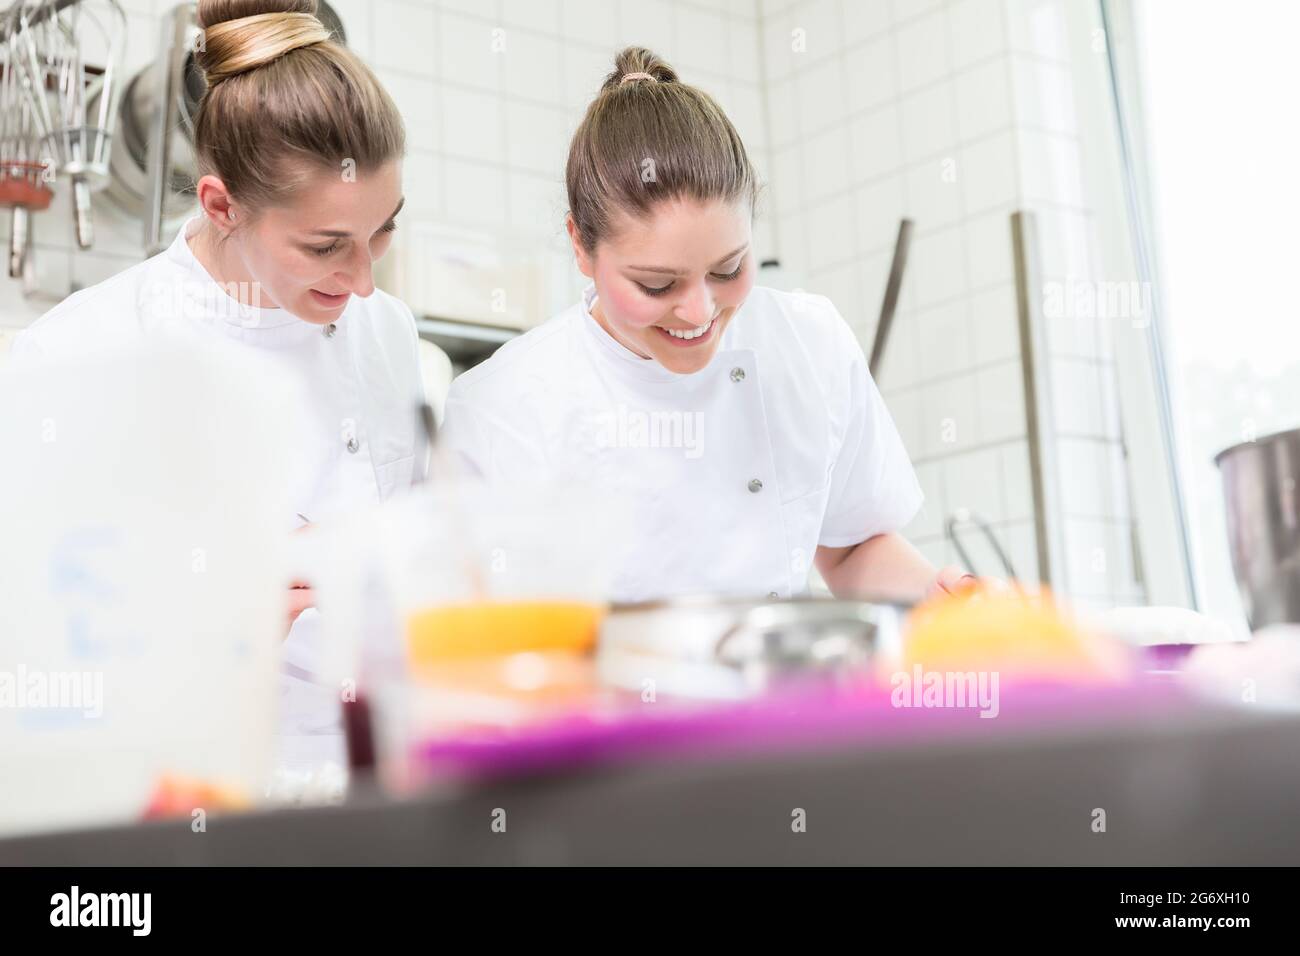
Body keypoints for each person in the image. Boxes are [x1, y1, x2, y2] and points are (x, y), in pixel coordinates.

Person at [13, 0, 424, 769]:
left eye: (384, 230)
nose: (366, 281)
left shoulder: (389, 335)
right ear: (221, 205)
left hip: (377, 781)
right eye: (327, 246)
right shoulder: (83, 355)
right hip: (184, 790)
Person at [439, 47, 976, 605]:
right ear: (580, 245)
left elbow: (850, 547)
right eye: (656, 284)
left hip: (778, 685)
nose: (699, 312)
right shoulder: (502, 408)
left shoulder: (807, 344)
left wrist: (941, 608)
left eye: (728, 269)